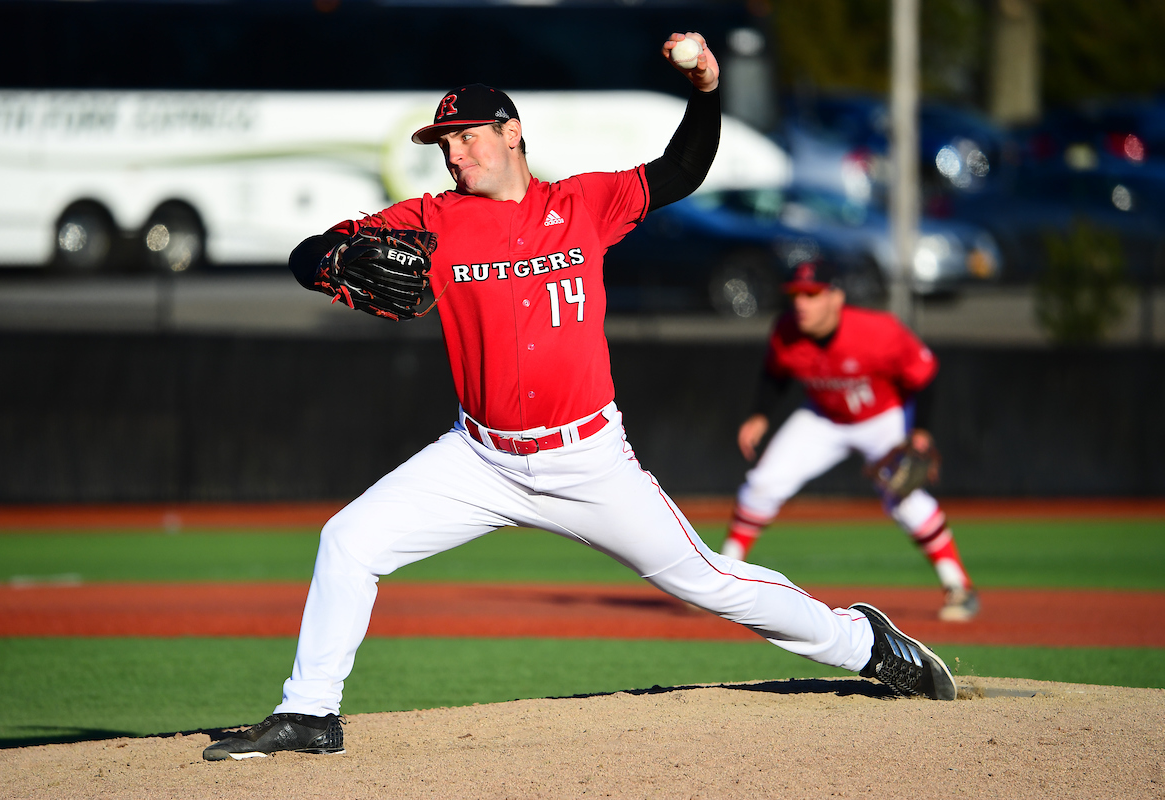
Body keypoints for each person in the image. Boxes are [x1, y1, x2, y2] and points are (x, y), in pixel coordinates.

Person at [202, 33, 957, 762]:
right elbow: (311, 253)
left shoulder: (586, 203)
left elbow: (684, 169)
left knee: (712, 583)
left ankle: (866, 642)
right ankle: (309, 714)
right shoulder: (433, 220)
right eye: (445, 143)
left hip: (588, 459)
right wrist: (326, 257)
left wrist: (705, 90)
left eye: (467, 136)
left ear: (512, 132)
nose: (455, 153)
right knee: (348, 542)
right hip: (480, 458)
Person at [719, 258, 979, 622]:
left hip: (882, 418)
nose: (801, 304)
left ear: (836, 297)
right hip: (824, 417)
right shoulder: (787, 330)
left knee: (904, 498)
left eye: (812, 294)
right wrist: (760, 414)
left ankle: (959, 586)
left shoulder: (879, 331)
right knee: (763, 482)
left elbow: (925, 374)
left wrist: (920, 429)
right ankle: (722, 575)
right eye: (797, 294)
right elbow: (775, 372)